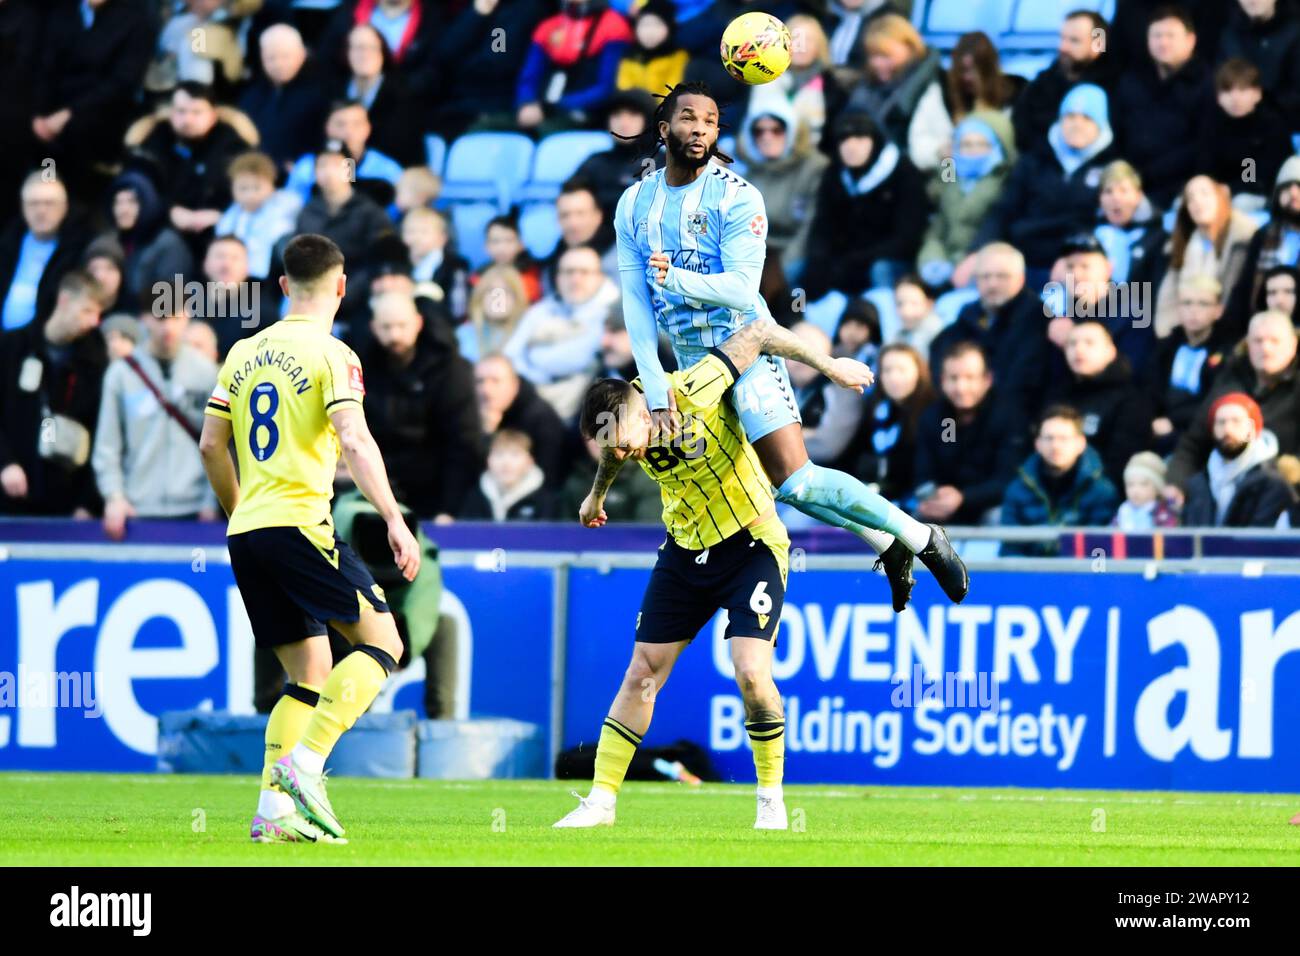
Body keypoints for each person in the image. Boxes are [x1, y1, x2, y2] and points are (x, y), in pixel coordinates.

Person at [617, 81, 967, 614]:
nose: (701, 130)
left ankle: (922, 538)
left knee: (795, 477)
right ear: (665, 129)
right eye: (689, 119)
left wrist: (677, 279)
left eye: (711, 122)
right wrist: (659, 391)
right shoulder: (635, 204)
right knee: (787, 491)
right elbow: (636, 303)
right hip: (693, 366)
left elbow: (741, 287)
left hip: (749, 346)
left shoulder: (738, 196)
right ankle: (887, 544)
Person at [553, 312, 878, 831]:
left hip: (752, 544)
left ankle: (770, 801)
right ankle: (600, 803)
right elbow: (615, 452)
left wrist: (830, 365)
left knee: (750, 672)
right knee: (641, 674)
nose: (628, 452)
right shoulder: (623, 426)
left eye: (627, 440)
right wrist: (596, 494)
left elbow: (758, 333)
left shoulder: (695, 388)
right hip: (684, 550)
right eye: (615, 448)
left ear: (642, 408)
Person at [199, 233, 420, 844]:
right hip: (300, 524)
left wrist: (239, 511)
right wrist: (395, 520)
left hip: (248, 532)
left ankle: (274, 811)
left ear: (282, 286)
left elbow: (211, 444)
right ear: (343, 287)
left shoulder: (242, 352)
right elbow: (353, 438)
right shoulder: (334, 354)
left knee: (309, 671)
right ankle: (307, 766)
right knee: (385, 642)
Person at [92, 299, 218, 539]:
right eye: (160, 318)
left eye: (175, 318)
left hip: (195, 508)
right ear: (144, 319)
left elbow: (221, 445)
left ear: (187, 317)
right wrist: (114, 497)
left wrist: (213, 500)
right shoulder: (121, 374)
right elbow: (108, 445)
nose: (168, 328)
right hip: (137, 507)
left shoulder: (206, 373)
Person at [968, 83, 1117, 286]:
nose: (1077, 124)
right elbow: (1003, 211)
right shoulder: (1034, 161)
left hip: (1077, 267)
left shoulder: (1111, 167)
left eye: (1087, 118)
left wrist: (1070, 263)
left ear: (1101, 125)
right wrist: (979, 252)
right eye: (1070, 116)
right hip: (1022, 260)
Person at [360, 291, 480, 521]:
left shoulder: (450, 369)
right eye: (386, 327)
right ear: (374, 327)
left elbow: (463, 443)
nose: (394, 335)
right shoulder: (362, 366)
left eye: (401, 326)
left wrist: (449, 508)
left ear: (418, 323)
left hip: (434, 496)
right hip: (377, 492)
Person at [0, 271, 111, 517]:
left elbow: (102, 431)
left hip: (66, 498)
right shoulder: (12, 346)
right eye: (87, 311)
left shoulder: (95, 360)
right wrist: (4, 463)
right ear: (64, 300)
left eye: (98, 315)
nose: (94, 321)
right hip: (10, 490)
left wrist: (88, 501)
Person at [1166, 310, 1300, 493]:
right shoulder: (1230, 378)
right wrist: (1176, 486)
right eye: (1258, 341)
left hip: (1283, 493)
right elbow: (1193, 444)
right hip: (1222, 487)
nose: (1266, 348)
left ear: (1293, 344)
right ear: (1248, 344)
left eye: (1274, 341)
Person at [800, 111, 928, 299]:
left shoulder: (905, 173)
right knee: (798, 270)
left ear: (875, 141)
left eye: (860, 138)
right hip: (842, 261)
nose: (851, 146)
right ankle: (799, 322)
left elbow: (907, 238)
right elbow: (822, 226)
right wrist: (820, 259)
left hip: (885, 260)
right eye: (844, 139)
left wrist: (856, 260)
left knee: (881, 269)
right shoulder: (834, 173)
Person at [912, 342, 1027, 525]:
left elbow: (1008, 480)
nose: (961, 387)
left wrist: (963, 498)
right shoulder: (933, 417)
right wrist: (932, 498)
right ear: (942, 381)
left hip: (991, 507)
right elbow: (923, 474)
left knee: (998, 517)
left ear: (987, 380)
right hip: (944, 509)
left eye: (970, 378)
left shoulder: (1008, 416)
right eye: (953, 378)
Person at [1110, 5, 1214, 207]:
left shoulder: (1208, 84)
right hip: (1131, 185)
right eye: (1156, 36)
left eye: (1170, 36)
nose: (1163, 42)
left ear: (1191, 40)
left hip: (1182, 188)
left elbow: (1205, 147)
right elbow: (1117, 133)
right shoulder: (1131, 82)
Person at [929, 242, 1049, 415]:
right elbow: (940, 362)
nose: (992, 284)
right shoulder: (967, 317)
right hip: (965, 415)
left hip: (1017, 417)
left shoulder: (1038, 318)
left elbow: (1026, 379)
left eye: (1002, 276)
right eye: (985, 277)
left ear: (1021, 278)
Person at [823, 13, 953, 173]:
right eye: (873, 56)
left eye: (885, 56)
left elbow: (946, 151)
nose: (878, 64)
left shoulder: (931, 89)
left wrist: (947, 183)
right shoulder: (865, 88)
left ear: (909, 48)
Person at [130, 82, 254, 249]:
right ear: (170, 113)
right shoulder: (152, 144)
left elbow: (254, 191)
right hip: (160, 231)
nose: (187, 119)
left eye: (196, 112)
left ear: (213, 115)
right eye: (181, 111)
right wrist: (170, 212)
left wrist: (223, 215)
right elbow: (136, 188)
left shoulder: (235, 150)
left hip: (221, 234)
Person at [504, 244, 618, 420]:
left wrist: (535, 354)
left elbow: (578, 359)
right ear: (557, 277)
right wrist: (538, 376)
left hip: (591, 411)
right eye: (568, 272)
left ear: (599, 277)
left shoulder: (613, 314)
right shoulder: (541, 310)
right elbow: (511, 355)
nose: (575, 279)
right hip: (532, 398)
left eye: (584, 272)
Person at [1047, 320, 1155, 490]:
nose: (1079, 349)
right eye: (1072, 344)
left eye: (1089, 343)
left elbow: (1120, 465)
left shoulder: (1131, 401)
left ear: (1111, 351)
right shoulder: (1057, 395)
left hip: (1100, 498)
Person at [1000, 406, 1120, 556]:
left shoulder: (1102, 492)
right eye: (1049, 438)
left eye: (1064, 438)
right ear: (1037, 444)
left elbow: (1098, 551)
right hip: (1028, 575)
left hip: (1077, 575)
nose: (1055, 446)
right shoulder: (1016, 489)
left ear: (1080, 443)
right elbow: (1010, 548)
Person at [915, 110, 1016, 290]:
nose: (973, 150)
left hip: (981, 267)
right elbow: (938, 205)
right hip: (945, 263)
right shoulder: (952, 175)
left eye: (981, 144)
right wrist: (932, 259)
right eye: (966, 144)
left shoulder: (1006, 178)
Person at [734, 97, 829, 285]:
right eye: (759, 131)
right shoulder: (750, 169)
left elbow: (810, 226)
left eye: (777, 130)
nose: (767, 137)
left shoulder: (814, 168)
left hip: (796, 251)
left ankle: (796, 311)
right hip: (758, 251)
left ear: (792, 132)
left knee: (790, 284)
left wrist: (786, 265)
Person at [1154, 175, 1258, 338]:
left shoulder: (1244, 238)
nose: (1197, 201)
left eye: (1204, 193)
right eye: (1190, 198)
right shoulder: (1181, 244)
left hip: (1228, 334)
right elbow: (1168, 302)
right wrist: (1171, 336)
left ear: (1221, 197)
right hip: (1185, 335)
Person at [514, 0, 633, 136]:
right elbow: (529, 76)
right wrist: (526, 102)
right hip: (543, 110)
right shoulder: (549, 26)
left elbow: (606, 88)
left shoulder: (614, 26)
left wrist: (553, 107)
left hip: (589, 115)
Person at [1145, 275, 1234, 452]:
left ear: (1218, 311)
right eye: (1187, 303)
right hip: (1156, 425)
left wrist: (1173, 420)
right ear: (1178, 309)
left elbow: (1216, 398)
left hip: (1200, 432)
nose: (1194, 310)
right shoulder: (1165, 346)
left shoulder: (1227, 352)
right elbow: (1149, 388)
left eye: (1203, 304)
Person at [1182, 391, 1297, 526]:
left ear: (1252, 429)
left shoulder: (1273, 483)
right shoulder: (1198, 484)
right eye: (1221, 422)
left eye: (1236, 421)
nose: (1227, 429)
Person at [1011, 9, 1118, 153]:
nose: (1063, 47)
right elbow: (1021, 126)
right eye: (1062, 38)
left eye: (1074, 40)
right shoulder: (1044, 82)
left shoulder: (1115, 87)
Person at [1196, 58, 1293, 206]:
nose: (1235, 98)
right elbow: (1205, 168)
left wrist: (1230, 189)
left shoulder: (1271, 125)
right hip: (1217, 193)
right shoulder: (1211, 126)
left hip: (1261, 193)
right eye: (1227, 91)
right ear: (1218, 97)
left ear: (1257, 94)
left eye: (1242, 90)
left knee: (1241, 202)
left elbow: (1259, 177)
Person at [0, 173, 90, 332]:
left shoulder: (79, 250)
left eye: (49, 204)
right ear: (23, 207)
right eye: (33, 203)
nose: (41, 211)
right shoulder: (8, 242)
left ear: (64, 207)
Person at [1222, 156, 1300, 337]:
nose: (1293, 194)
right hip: (1262, 328)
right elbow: (1245, 287)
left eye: (1299, 186)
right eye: (1286, 188)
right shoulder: (1263, 236)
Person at [237, 23, 331, 172]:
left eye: (285, 56)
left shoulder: (322, 91)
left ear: (302, 54)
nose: (278, 64)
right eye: (271, 58)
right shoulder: (252, 93)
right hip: (258, 175)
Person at [851, 342, 933, 502]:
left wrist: (881, 468)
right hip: (879, 495)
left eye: (902, 370)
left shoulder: (933, 412)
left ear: (919, 373)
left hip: (918, 499)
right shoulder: (874, 409)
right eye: (887, 370)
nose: (894, 377)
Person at [285, 100, 404, 208]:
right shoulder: (307, 166)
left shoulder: (388, 169)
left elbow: (396, 212)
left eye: (357, 124)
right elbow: (292, 207)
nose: (349, 131)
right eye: (340, 124)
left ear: (368, 128)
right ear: (327, 128)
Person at [474, 353, 569, 486]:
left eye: (495, 381)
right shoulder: (475, 412)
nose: (486, 390)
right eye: (480, 381)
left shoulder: (542, 419)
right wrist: (486, 434)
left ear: (514, 384)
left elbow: (551, 478)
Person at [103, 172, 195, 306]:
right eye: (117, 202)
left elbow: (169, 302)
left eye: (132, 202)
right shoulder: (116, 241)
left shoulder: (169, 245)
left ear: (148, 202)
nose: (123, 209)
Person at [575, 89, 662, 220]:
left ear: (649, 120)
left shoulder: (665, 164)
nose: (623, 122)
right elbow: (571, 201)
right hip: (595, 237)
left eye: (633, 114)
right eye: (617, 115)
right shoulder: (595, 163)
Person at [215, 152, 303, 281]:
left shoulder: (285, 204)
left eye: (257, 188)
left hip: (274, 274)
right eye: (243, 189)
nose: (250, 195)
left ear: (271, 185)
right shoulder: (230, 216)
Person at [1216, 0, 1300, 127]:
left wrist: (1259, 103)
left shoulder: (1294, 33)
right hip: (1235, 127)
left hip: (1285, 127)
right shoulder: (1229, 35)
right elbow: (1221, 83)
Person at [458, 428, 554, 521]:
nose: (506, 462)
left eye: (515, 454)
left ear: (529, 461)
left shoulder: (544, 501)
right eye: (499, 454)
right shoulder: (474, 498)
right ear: (488, 461)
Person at [401, 207, 470, 323]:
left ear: (442, 238)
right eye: (410, 232)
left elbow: (458, 311)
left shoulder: (456, 267)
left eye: (424, 232)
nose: (416, 238)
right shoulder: (396, 265)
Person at [460, 265, 530, 363]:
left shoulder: (529, 335)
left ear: (517, 298)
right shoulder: (461, 336)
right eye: (492, 291)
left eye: (506, 291)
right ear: (480, 296)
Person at [616, 0, 686, 95]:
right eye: (645, 25)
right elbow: (624, 92)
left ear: (669, 28)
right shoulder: (629, 57)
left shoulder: (678, 57)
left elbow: (672, 95)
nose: (650, 32)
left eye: (657, 25)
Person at [1113, 450, 1179, 529]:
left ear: (1157, 488)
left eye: (1143, 484)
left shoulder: (1164, 512)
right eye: (1130, 484)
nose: (1135, 490)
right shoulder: (1123, 511)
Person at [888, 275, 942, 358]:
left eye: (914, 303)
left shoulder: (938, 336)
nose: (906, 312)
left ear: (930, 304)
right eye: (899, 304)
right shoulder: (898, 334)